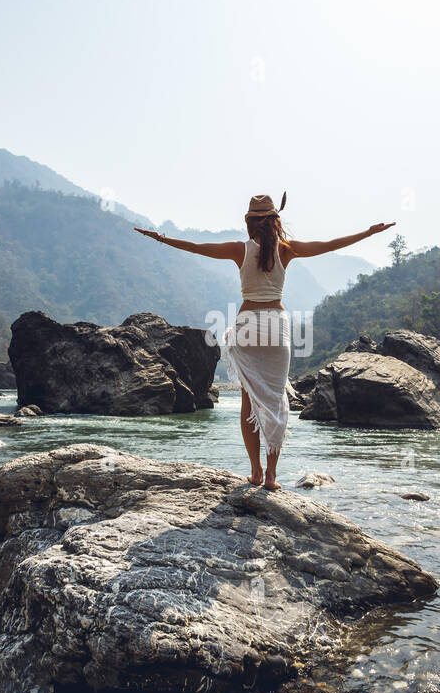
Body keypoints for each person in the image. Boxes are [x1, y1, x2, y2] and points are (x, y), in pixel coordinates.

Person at [136, 193, 395, 489]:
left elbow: (196, 248)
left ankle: (255, 472)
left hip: (247, 325)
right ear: (275, 220)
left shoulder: (239, 250)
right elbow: (329, 245)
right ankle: (272, 475)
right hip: (276, 326)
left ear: (249, 221)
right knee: (274, 401)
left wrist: (161, 238)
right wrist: (368, 232)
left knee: (249, 401)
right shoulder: (287, 250)